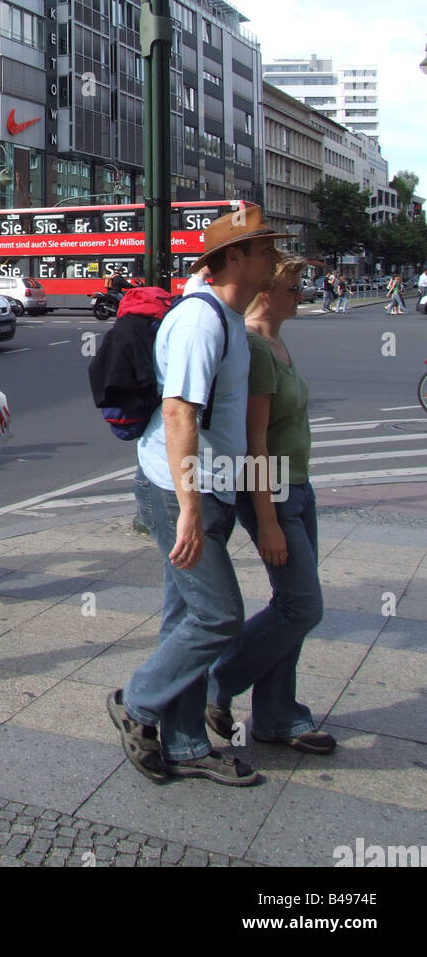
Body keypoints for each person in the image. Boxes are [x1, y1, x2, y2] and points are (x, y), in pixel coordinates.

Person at [107, 204, 289, 786]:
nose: (274, 259)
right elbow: (179, 412)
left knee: (184, 615)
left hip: (209, 490)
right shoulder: (201, 321)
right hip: (178, 491)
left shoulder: (229, 320)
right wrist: (187, 507)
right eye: (264, 249)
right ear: (232, 258)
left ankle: (186, 745)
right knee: (220, 616)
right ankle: (136, 701)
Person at [205, 255, 335, 756]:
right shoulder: (257, 348)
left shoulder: (279, 342)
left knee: (293, 605)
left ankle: (278, 715)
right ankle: (216, 679)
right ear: (267, 292)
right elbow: (254, 443)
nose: (301, 293)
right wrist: (266, 521)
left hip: (297, 487)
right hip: (272, 492)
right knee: (302, 605)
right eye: (294, 286)